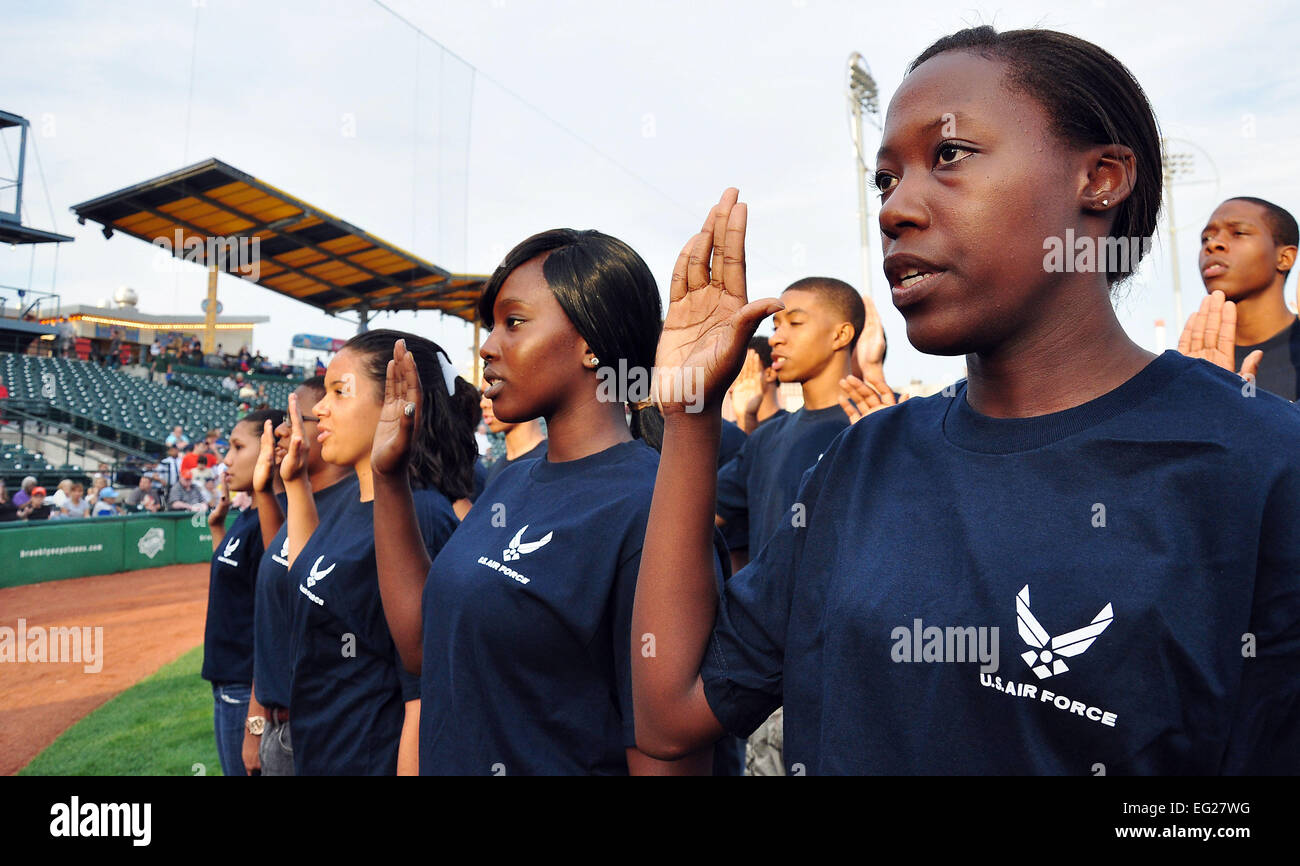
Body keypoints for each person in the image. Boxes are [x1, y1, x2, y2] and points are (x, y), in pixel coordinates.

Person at [631, 27, 1300, 776]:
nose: (894, 211)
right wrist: (690, 418)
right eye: (885, 180)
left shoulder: (1265, 466)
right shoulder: (861, 461)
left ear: (1102, 177)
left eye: (948, 156)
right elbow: (671, 715)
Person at [373, 229, 719, 776]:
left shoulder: (651, 508)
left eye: (514, 322)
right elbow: (424, 647)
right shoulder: (512, 481)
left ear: (591, 344)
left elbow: (667, 758)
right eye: (492, 325)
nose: (487, 346)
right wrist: (389, 480)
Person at [280, 330, 470, 776]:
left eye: (339, 393)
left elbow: (425, 690)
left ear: (394, 402)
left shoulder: (419, 515)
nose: (319, 409)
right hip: (319, 754)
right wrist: (294, 485)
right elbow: (307, 578)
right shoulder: (350, 496)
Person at [200, 408, 284, 777]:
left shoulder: (273, 520)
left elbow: (274, 625)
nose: (226, 460)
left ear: (268, 449)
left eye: (237, 447)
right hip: (227, 684)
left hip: (245, 690)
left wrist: (256, 727)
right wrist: (217, 529)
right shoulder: (246, 517)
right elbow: (232, 583)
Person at [1194, 197, 1299, 399]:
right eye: (1206, 238)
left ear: (1284, 258)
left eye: (1238, 233)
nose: (1213, 244)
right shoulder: (1193, 365)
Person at [479, 391, 548, 488]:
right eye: (483, 393)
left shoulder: (553, 463)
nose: (483, 403)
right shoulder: (496, 467)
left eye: (495, 386)